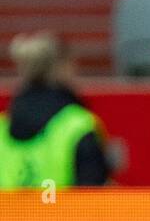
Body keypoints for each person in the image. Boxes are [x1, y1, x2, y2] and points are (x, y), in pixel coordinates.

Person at [0, 31, 111, 188]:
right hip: (63, 213)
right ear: (64, 66)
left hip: (8, 213)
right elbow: (93, 199)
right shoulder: (79, 126)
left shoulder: (2, 128)